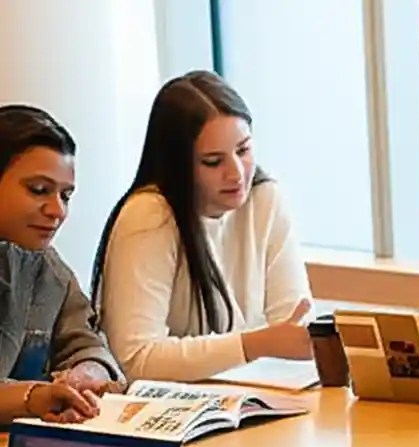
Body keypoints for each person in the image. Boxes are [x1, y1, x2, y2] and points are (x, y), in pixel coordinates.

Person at [91, 70, 313, 383]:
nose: (236, 174)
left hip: (250, 404)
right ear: (177, 164)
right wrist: (255, 344)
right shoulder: (149, 214)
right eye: (213, 161)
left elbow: (293, 324)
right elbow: (137, 359)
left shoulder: (265, 197)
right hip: (170, 412)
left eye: (243, 150)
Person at [0, 105, 123, 401]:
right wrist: (32, 398)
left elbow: (84, 342)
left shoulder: (46, 267)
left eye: (65, 196)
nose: (58, 211)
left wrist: (89, 372)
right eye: (39, 189)